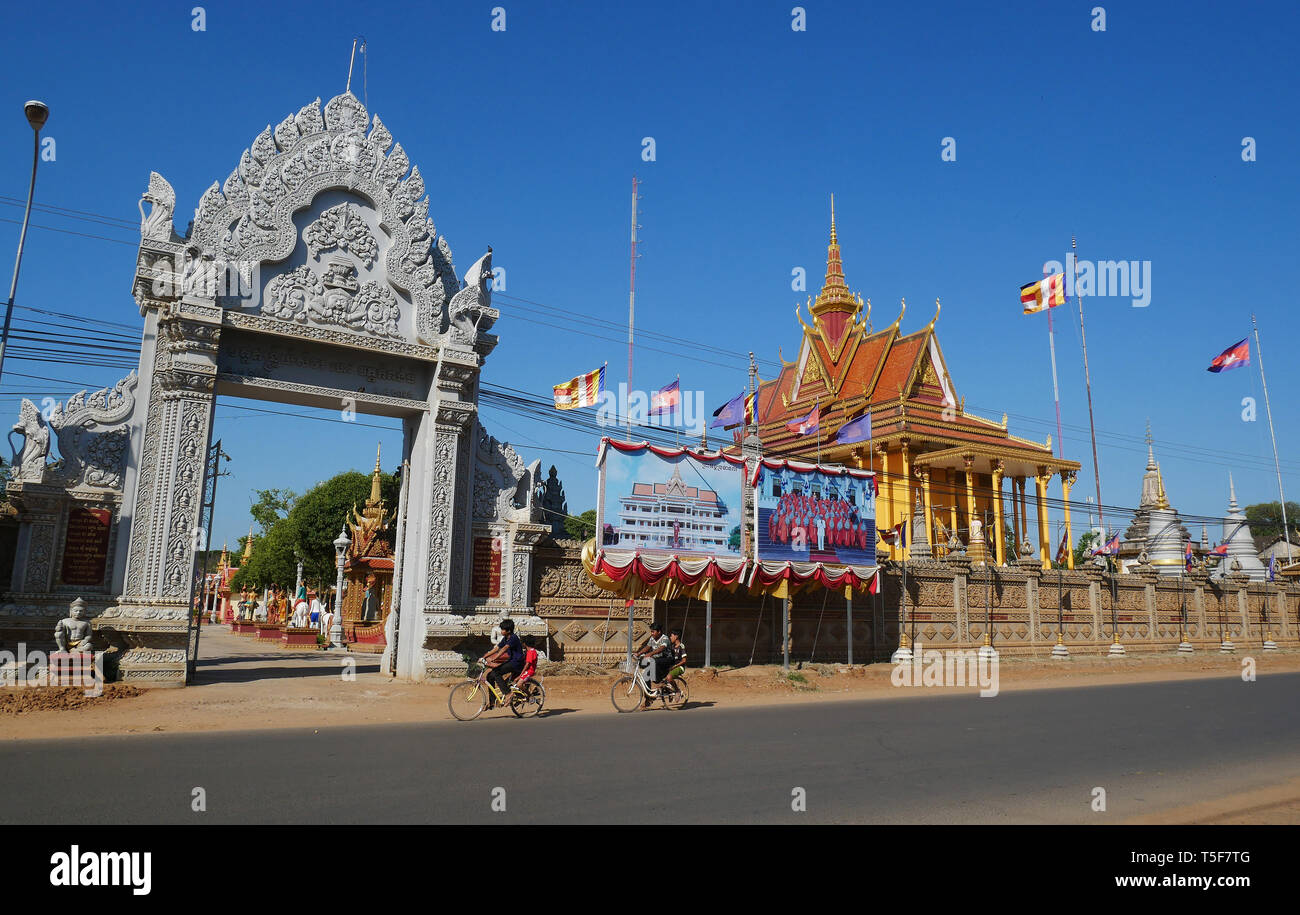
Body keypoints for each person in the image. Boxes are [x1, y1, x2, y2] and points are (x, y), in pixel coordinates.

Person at [482, 618, 525, 708]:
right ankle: (492, 701)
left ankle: (508, 693)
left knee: (496, 672)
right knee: (490, 676)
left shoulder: (513, 638)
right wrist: (484, 656)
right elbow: (497, 648)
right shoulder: (505, 638)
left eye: (503, 629)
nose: (501, 631)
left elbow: (504, 649)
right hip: (511, 662)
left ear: (508, 631)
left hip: (517, 663)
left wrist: (494, 659)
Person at [635, 623, 671, 704]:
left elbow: (662, 648)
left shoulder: (665, 638)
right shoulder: (652, 638)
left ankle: (660, 681)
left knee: (653, 661)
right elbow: (647, 647)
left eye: (653, 632)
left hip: (666, 660)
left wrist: (651, 654)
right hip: (657, 660)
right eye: (651, 632)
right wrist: (639, 653)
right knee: (645, 674)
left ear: (659, 632)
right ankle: (649, 697)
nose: (652, 633)